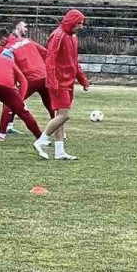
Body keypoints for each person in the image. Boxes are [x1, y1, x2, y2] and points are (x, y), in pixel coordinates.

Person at [35, 8, 90, 161]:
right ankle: (41, 141)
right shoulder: (57, 36)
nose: (81, 26)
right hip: (58, 82)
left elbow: (74, 61)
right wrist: (52, 81)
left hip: (68, 81)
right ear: (71, 22)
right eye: (79, 23)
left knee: (59, 116)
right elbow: (50, 60)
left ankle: (60, 152)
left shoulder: (73, 37)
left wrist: (82, 79)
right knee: (64, 116)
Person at [0, 30, 53, 136]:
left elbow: (8, 66)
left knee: (10, 101)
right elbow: (45, 52)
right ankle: (60, 132)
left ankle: (1, 132)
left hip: (30, 78)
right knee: (50, 105)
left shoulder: (8, 49)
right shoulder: (27, 40)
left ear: (3, 38)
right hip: (44, 76)